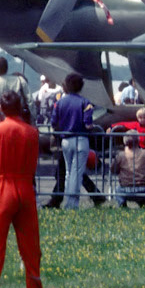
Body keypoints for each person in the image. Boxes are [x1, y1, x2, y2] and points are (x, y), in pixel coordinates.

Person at [0, 90, 43, 288]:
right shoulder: (32, 132)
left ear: (1, 108)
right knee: (30, 245)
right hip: (25, 188)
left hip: (0, 188)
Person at [51, 73, 96, 210]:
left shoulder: (59, 103)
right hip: (81, 140)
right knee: (77, 172)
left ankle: (68, 201)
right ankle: (71, 203)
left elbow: (53, 123)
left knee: (69, 172)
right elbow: (88, 124)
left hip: (65, 140)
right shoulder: (85, 103)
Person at [111, 135, 145, 208]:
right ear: (138, 141)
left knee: (117, 190)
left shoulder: (121, 155)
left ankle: (122, 203)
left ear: (125, 142)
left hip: (125, 190)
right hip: (144, 190)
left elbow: (113, 169)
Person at [0, 56, 28, 128]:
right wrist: (32, 123)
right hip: (21, 125)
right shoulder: (20, 81)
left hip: (1, 126)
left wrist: (0, 126)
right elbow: (30, 102)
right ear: (7, 67)